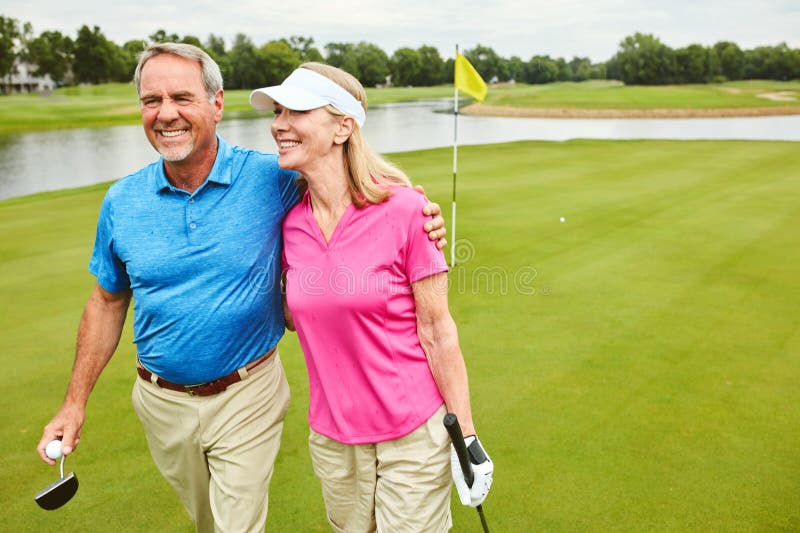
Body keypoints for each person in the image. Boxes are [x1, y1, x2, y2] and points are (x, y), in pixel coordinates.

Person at [35, 43, 446, 533]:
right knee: (207, 521)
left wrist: (414, 207)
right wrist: (74, 402)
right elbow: (107, 301)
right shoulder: (122, 201)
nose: (166, 114)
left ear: (216, 104)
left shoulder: (272, 178)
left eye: (181, 98)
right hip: (160, 401)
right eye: (151, 101)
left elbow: (346, 181)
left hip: (248, 391)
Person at [249, 63, 493, 532]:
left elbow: (437, 331)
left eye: (296, 111)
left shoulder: (407, 211)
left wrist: (466, 435)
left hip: (412, 432)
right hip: (333, 438)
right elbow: (296, 317)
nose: (279, 124)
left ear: (343, 128)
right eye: (277, 111)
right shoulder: (291, 223)